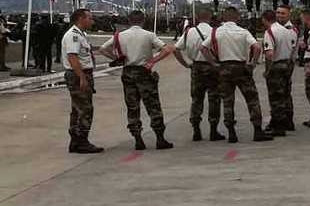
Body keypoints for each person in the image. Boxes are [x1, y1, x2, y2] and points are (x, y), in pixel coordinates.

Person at [98, 10, 175, 150]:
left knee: (132, 107)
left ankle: (138, 139)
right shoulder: (149, 35)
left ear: (128, 20)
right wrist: (152, 61)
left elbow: (103, 49)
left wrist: (116, 59)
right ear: (143, 20)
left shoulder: (119, 36)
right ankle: (160, 138)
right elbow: (166, 49)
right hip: (144, 71)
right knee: (153, 106)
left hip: (127, 72)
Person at [209, 6, 272, 143]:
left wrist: (213, 63)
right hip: (241, 67)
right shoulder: (243, 31)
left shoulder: (216, 32)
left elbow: (203, 47)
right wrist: (253, 63)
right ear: (237, 18)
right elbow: (257, 47)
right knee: (252, 99)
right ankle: (257, 130)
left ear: (224, 18)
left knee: (227, 101)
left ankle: (231, 133)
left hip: (224, 67)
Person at [175, 8, 223, 141]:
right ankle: (214, 130)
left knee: (196, 99)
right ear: (211, 17)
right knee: (214, 99)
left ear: (197, 17)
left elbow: (176, 49)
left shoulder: (188, 32)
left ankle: (196, 130)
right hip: (212, 67)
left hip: (196, 67)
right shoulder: (215, 32)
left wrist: (185, 64)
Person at [62, 9, 102, 154]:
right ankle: (82, 141)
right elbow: (72, 57)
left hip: (82, 74)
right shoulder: (73, 36)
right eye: (90, 18)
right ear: (81, 19)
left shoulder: (81, 34)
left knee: (77, 109)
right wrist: (82, 78)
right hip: (78, 75)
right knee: (85, 109)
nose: (92, 21)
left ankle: (75, 142)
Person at [262, 6, 299, 135]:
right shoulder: (290, 30)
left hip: (276, 66)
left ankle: (278, 127)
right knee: (285, 94)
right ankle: (288, 122)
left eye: (283, 13)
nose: (280, 15)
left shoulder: (270, 32)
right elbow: (294, 50)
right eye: (278, 13)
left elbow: (270, 54)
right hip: (286, 64)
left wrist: (267, 70)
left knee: (276, 97)